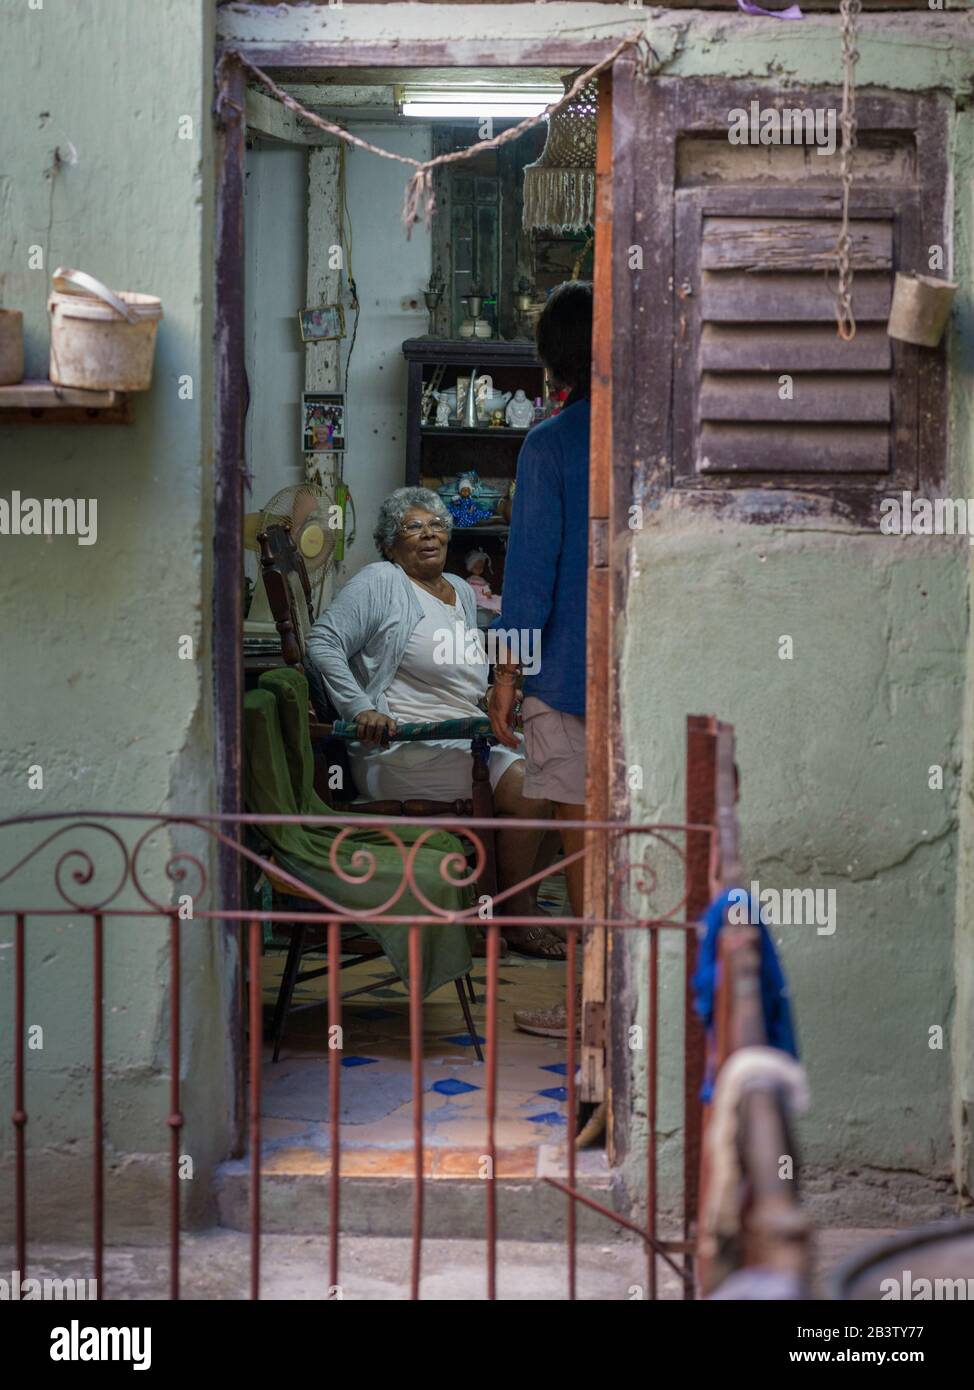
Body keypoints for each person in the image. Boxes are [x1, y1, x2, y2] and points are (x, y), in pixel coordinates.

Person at [306, 486, 565, 959]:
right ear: (390, 543)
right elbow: (322, 641)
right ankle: (511, 914)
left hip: (465, 738)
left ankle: (514, 904)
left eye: (437, 525)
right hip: (405, 746)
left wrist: (489, 693)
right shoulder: (382, 581)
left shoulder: (460, 590)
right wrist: (359, 708)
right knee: (535, 787)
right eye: (413, 527)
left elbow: (461, 678)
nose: (429, 535)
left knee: (565, 775)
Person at [488, 281, 592, 1036]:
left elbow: (527, 582)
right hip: (637, 681)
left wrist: (505, 678)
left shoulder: (549, 444)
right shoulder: (641, 436)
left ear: (552, 361)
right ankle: (621, 1003)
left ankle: (592, 1008)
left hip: (562, 681)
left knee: (584, 856)